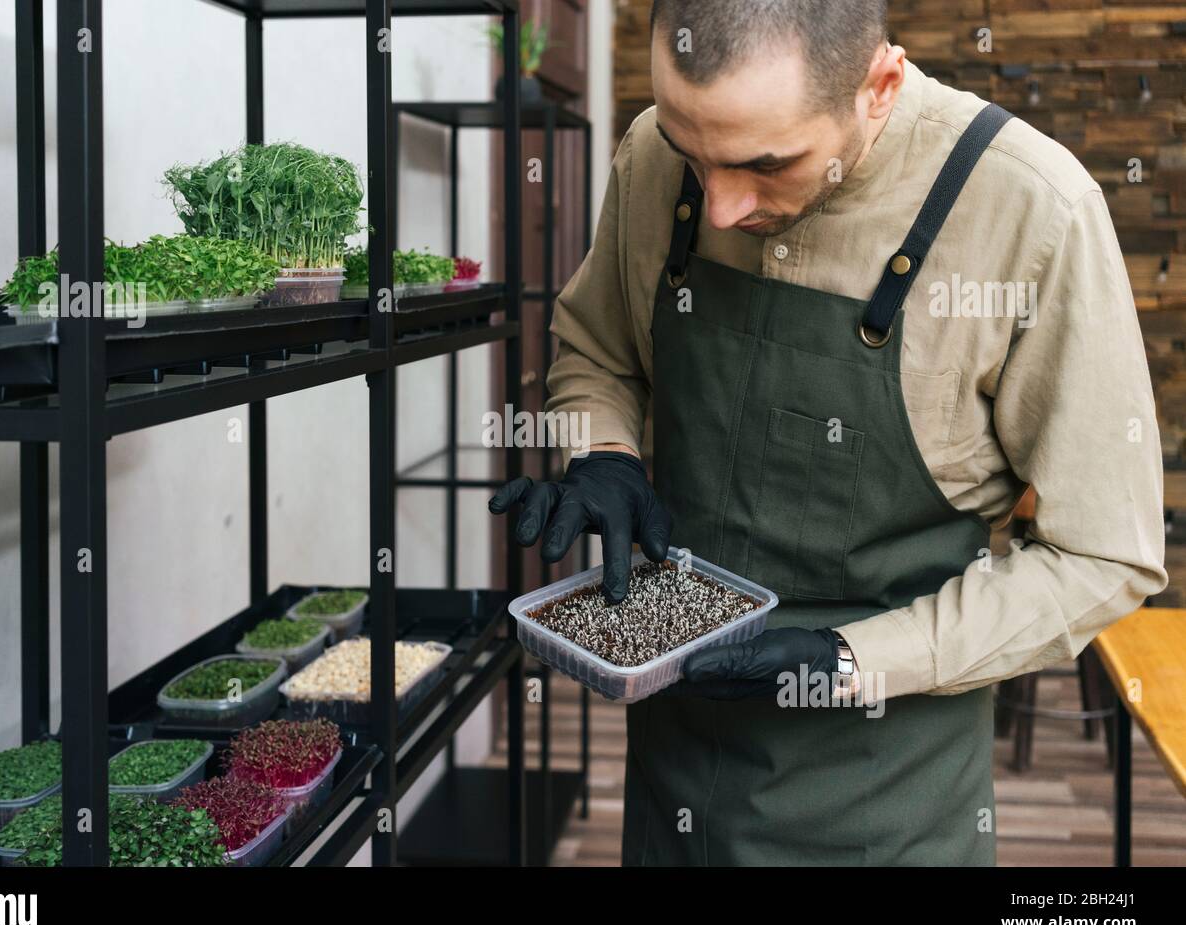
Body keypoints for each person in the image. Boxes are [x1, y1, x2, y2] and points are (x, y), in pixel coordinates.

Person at [489, 0, 1167, 865]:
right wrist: (605, 453)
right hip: (679, 778)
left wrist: (845, 659)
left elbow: (1104, 553)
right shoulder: (657, 151)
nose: (723, 206)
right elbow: (595, 347)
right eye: (694, 159)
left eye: (766, 164)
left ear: (878, 87)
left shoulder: (1033, 211)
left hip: (891, 801)